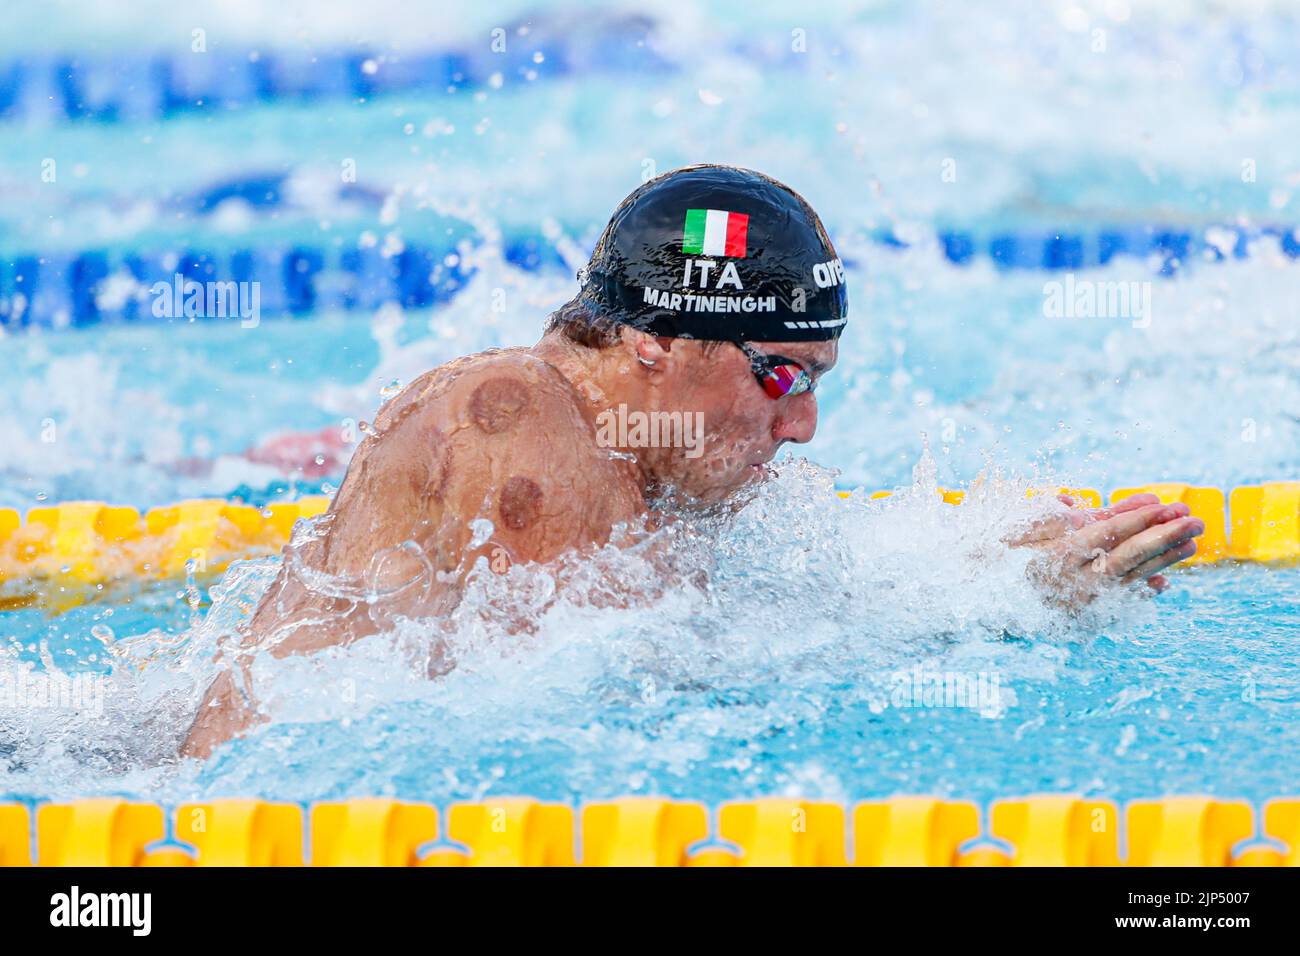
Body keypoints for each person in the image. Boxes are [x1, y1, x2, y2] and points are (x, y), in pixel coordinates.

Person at [181, 164, 1203, 758]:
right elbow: (588, 711)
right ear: (655, 340)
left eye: (816, 382)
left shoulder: (636, 452)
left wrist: (993, 566)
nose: (800, 426)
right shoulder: (520, 424)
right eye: (779, 377)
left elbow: (697, 635)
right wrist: (977, 616)